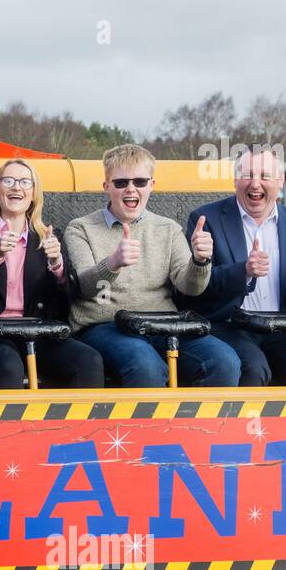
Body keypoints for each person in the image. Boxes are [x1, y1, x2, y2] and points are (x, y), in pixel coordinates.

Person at [64, 143, 240, 387]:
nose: (131, 189)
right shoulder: (81, 228)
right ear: (106, 187)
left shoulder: (168, 229)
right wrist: (113, 263)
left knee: (224, 361)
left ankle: (195, 425)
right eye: (121, 182)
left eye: (140, 182)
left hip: (163, 323)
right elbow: (86, 287)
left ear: (152, 185)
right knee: (146, 367)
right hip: (105, 325)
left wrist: (201, 261)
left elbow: (190, 287)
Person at [182, 148, 286, 386]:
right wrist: (243, 271)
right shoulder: (207, 219)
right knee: (253, 368)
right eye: (247, 175)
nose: (255, 184)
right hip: (229, 327)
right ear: (236, 180)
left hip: (284, 328)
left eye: (265, 176)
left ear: (279, 182)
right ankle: (246, 424)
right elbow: (195, 289)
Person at [0, 158, 104, 388]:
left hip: (37, 331)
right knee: (9, 366)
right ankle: (2, 425)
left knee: (89, 360)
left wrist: (57, 264)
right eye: (9, 181)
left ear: (34, 194)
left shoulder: (48, 237)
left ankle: (79, 424)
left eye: (25, 182)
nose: (16, 187)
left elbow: (66, 303)